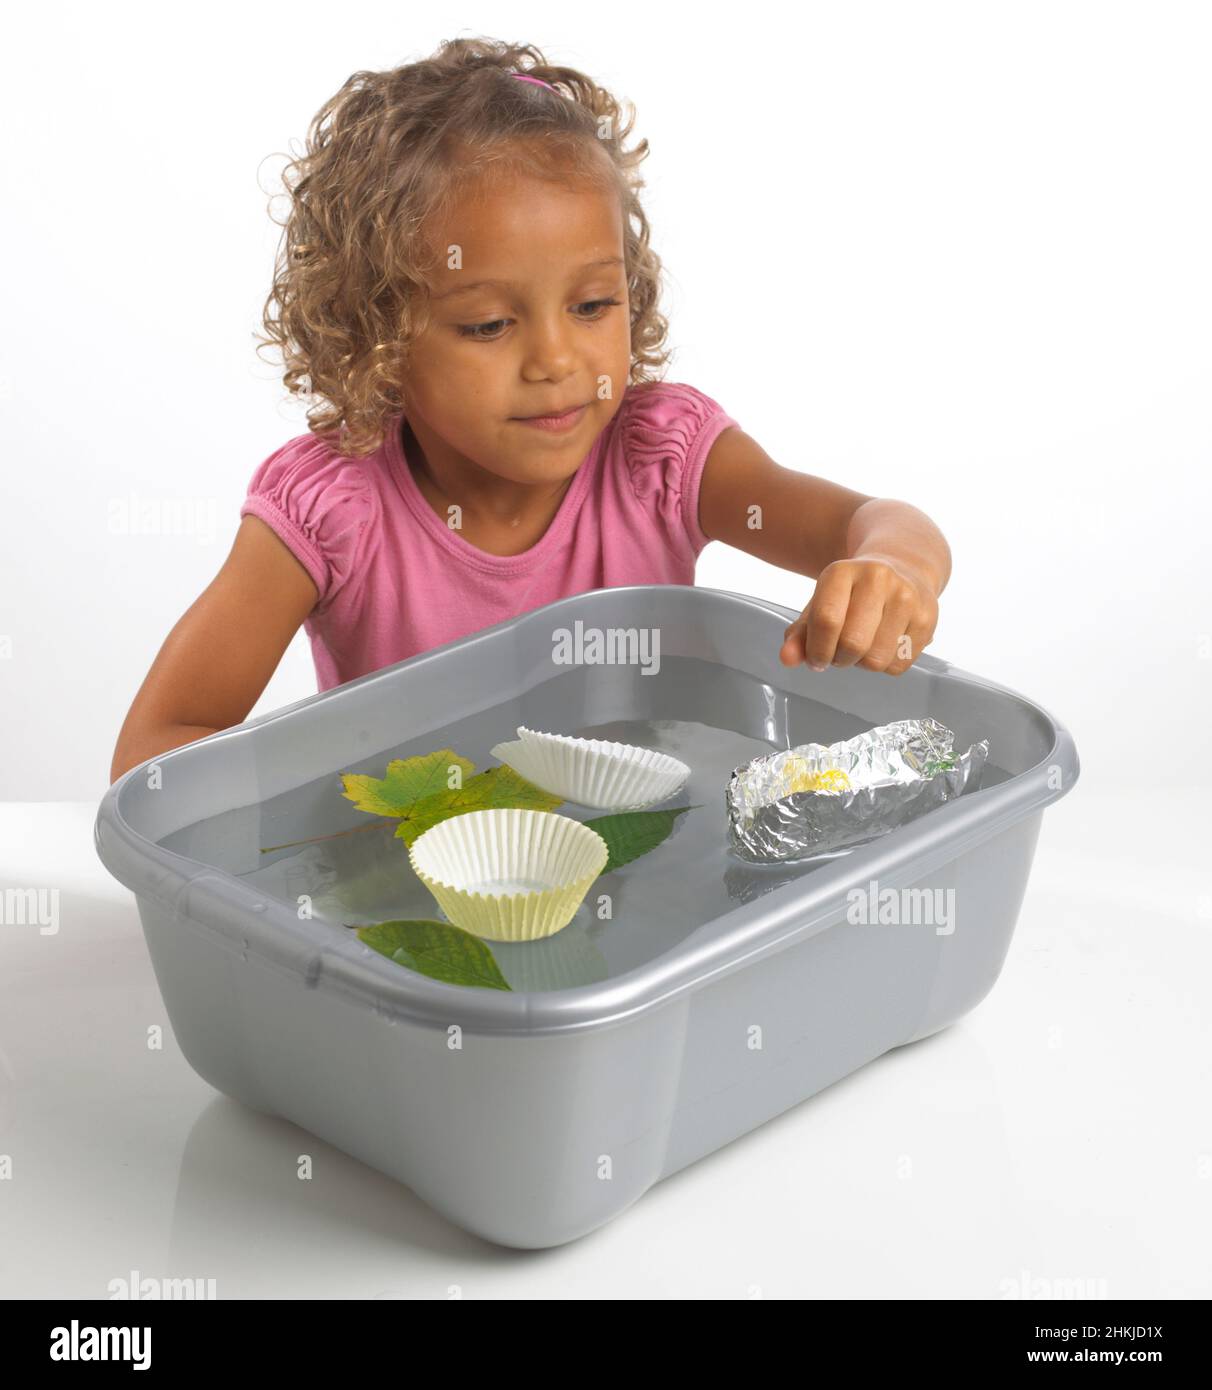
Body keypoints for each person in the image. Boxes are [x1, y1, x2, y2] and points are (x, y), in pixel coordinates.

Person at [109, 37, 950, 783]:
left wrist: (895, 573)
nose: (555, 362)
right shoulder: (335, 510)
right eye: (488, 324)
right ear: (378, 332)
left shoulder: (658, 458)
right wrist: (341, 772)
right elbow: (155, 747)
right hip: (411, 890)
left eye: (592, 305)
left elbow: (879, 523)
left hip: (640, 867)